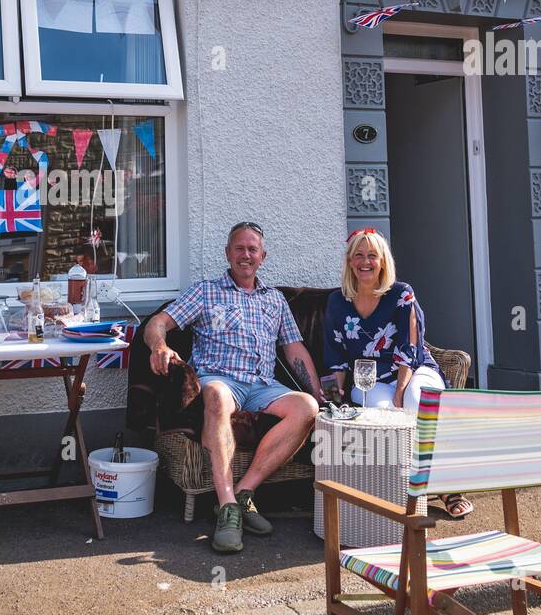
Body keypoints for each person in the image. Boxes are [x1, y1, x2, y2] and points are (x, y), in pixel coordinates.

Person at [146, 222, 322, 553]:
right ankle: (227, 506)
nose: (246, 255)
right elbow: (157, 323)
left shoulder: (275, 300)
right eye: (239, 248)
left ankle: (243, 493)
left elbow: (294, 349)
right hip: (220, 379)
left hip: (263, 385)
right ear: (228, 254)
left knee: (307, 408)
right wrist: (159, 346)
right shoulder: (205, 291)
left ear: (263, 256)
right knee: (214, 396)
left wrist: (317, 391)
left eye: (252, 249)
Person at [322, 228, 472, 519]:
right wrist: (335, 393)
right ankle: (403, 489)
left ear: (382, 261)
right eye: (358, 255)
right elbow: (336, 354)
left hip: (414, 369)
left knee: (418, 401)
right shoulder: (337, 302)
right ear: (350, 261)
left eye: (372, 255)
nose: (365, 261)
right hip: (369, 378)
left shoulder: (401, 294)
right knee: (381, 416)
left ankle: (445, 486)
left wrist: (401, 390)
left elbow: (409, 345)